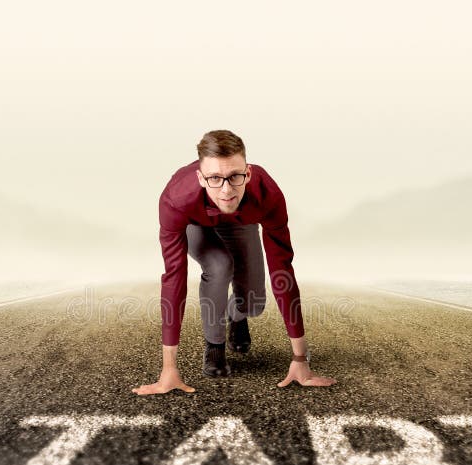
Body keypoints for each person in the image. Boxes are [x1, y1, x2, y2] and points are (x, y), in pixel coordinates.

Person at [132, 130, 337, 395]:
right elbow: (174, 277)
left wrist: (300, 359)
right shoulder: (176, 198)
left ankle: (237, 314)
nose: (226, 189)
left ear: (248, 173)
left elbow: (282, 268)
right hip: (198, 224)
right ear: (200, 178)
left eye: (235, 177)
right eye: (215, 178)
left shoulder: (267, 195)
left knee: (254, 303)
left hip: (242, 222)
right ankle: (215, 345)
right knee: (219, 265)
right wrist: (168, 368)